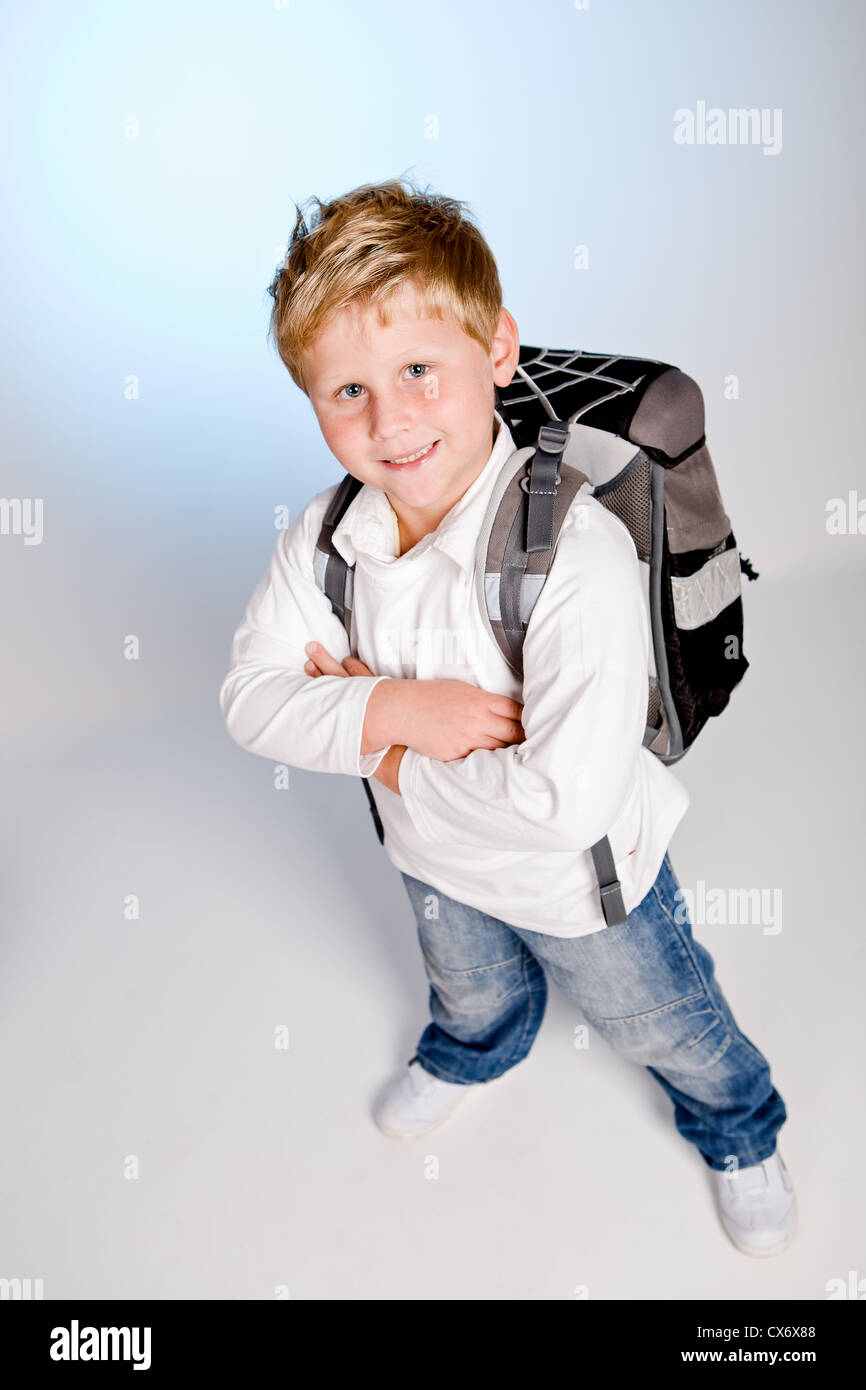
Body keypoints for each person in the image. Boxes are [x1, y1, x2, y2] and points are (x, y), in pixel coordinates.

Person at [219, 176, 795, 1258]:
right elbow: (249, 700)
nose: (389, 420)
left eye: (418, 370)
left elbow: (560, 804)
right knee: (468, 984)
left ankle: (739, 1125)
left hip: (585, 888)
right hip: (433, 863)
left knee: (663, 1022)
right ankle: (477, 1049)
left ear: (496, 349)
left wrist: (373, 743)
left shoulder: (569, 555)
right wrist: (401, 706)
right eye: (347, 389)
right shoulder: (328, 536)